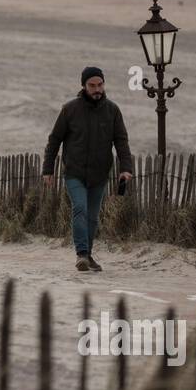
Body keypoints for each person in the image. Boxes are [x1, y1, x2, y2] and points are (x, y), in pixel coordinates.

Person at [41, 66, 133, 272]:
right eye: (92, 85)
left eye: (99, 85)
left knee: (92, 217)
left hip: (100, 174)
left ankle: (88, 256)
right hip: (74, 172)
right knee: (80, 209)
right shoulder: (69, 109)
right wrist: (48, 169)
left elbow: (121, 141)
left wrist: (126, 168)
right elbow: (54, 140)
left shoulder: (113, 111)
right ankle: (81, 254)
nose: (96, 89)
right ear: (83, 86)